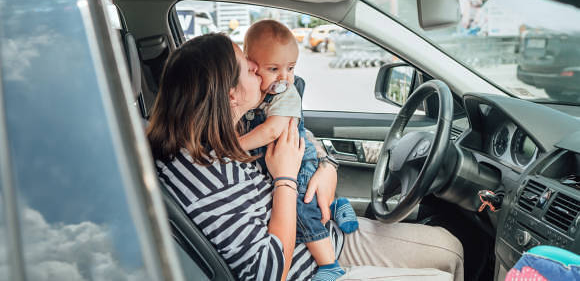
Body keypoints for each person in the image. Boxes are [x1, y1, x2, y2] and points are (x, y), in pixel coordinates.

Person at [148, 33, 464, 281]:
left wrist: (327, 167)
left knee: (450, 250)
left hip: (323, 237)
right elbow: (269, 273)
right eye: (248, 66)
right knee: (440, 274)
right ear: (231, 94)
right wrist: (285, 180)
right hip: (307, 268)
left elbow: (299, 135)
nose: (257, 67)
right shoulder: (204, 173)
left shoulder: (232, 128)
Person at [239, 20, 357, 280]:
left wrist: (233, 147)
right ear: (251, 65)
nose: (284, 77)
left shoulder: (286, 94)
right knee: (307, 203)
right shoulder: (251, 94)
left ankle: (329, 265)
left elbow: (271, 131)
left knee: (301, 209)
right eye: (274, 69)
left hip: (299, 161)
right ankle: (337, 206)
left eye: (291, 68)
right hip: (279, 163)